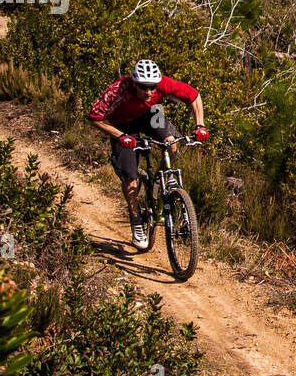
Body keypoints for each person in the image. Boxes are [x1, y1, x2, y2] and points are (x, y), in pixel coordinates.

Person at [87, 59, 208, 250]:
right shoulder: (119, 89)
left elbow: (193, 96)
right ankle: (136, 220)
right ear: (134, 83)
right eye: (144, 87)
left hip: (151, 113)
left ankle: (164, 179)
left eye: (153, 87)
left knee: (172, 143)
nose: (150, 92)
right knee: (130, 178)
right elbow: (95, 116)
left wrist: (199, 125)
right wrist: (120, 135)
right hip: (122, 125)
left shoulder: (164, 85)